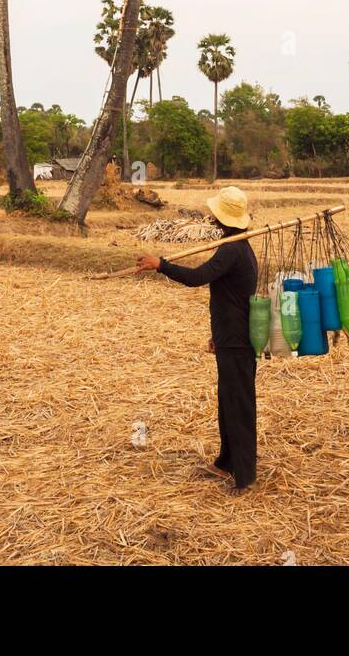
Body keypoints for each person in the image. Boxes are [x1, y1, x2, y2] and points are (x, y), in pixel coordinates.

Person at [136, 185, 258, 492]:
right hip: (231, 335)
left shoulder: (233, 249)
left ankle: (244, 477)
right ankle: (226, 462)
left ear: (220, 219)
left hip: (238, 339)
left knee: (239, 404)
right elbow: (227, 297)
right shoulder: (238, 245)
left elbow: (197, 278)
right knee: (228, 402)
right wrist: (217, 335)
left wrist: (160, 265)